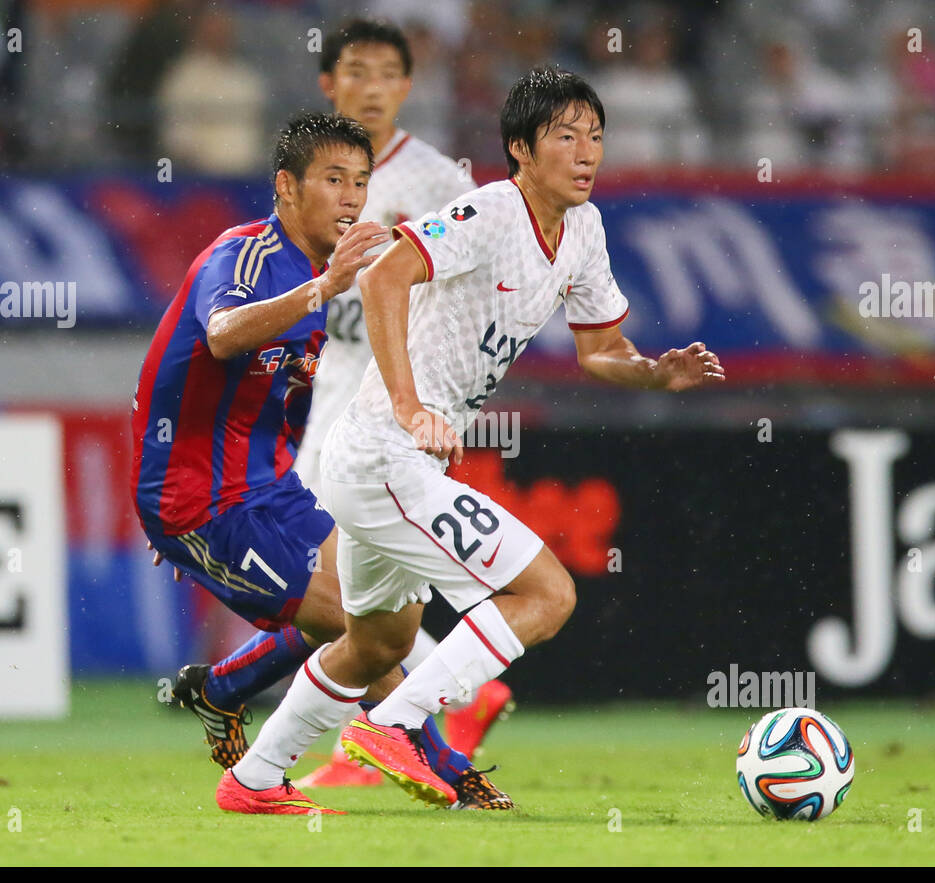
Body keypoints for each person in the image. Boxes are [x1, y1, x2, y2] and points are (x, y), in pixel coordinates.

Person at [228, 66, 725, 810]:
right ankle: (396, 724)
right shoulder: (490, 213)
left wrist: (657, 374)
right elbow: (383, 276)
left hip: (385, 462)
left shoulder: (582, 230)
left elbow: (600, 351)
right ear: (522, 150)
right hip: (383, 452)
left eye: (596, 136)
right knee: (547, 593)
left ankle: (255, 780)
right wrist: (408, 405)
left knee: (378, 643)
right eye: (566, 136)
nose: (587, 152)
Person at [131, 112, 496, 814]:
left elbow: (286, 394)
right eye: (334, 180)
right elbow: (220, 335)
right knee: (345, 621)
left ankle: (222, 690)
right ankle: (441, 765)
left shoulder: (321, 280)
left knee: (377, 615)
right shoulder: (242, 259)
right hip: (198, 501)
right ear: (286, 188)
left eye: (360, 181)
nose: (352, 197)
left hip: (268, 485)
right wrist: (170, 522)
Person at [291, 18, 514, 788]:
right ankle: (423, 714)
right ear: (330, 83)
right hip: (328, 397)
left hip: (388, 408)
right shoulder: (313, 168)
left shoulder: (440, 183)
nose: (372, 87)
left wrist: (440, 397)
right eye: (356, 71)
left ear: (408, 87)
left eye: (389, 73)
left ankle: (403, 724)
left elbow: (480, 291)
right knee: (339, 591)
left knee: (326, 586)